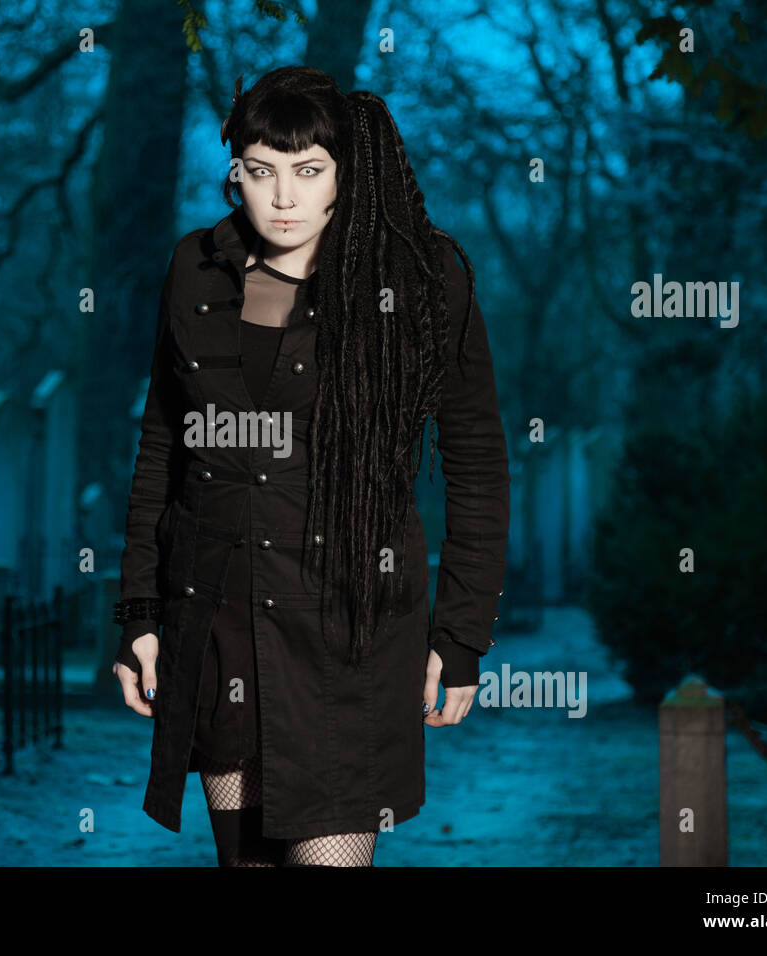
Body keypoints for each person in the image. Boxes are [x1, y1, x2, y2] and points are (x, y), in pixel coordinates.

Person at [112, 66, 509, 867]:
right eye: (261, 173)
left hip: (349, 631)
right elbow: (163, 445)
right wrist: (139, 616)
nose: (283, 198)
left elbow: (477, 462)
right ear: (236, 174)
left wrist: (462, 634)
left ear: (345, 177)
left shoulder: (423, 283)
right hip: (220, 616)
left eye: (307, 172)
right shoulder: (195, 269)